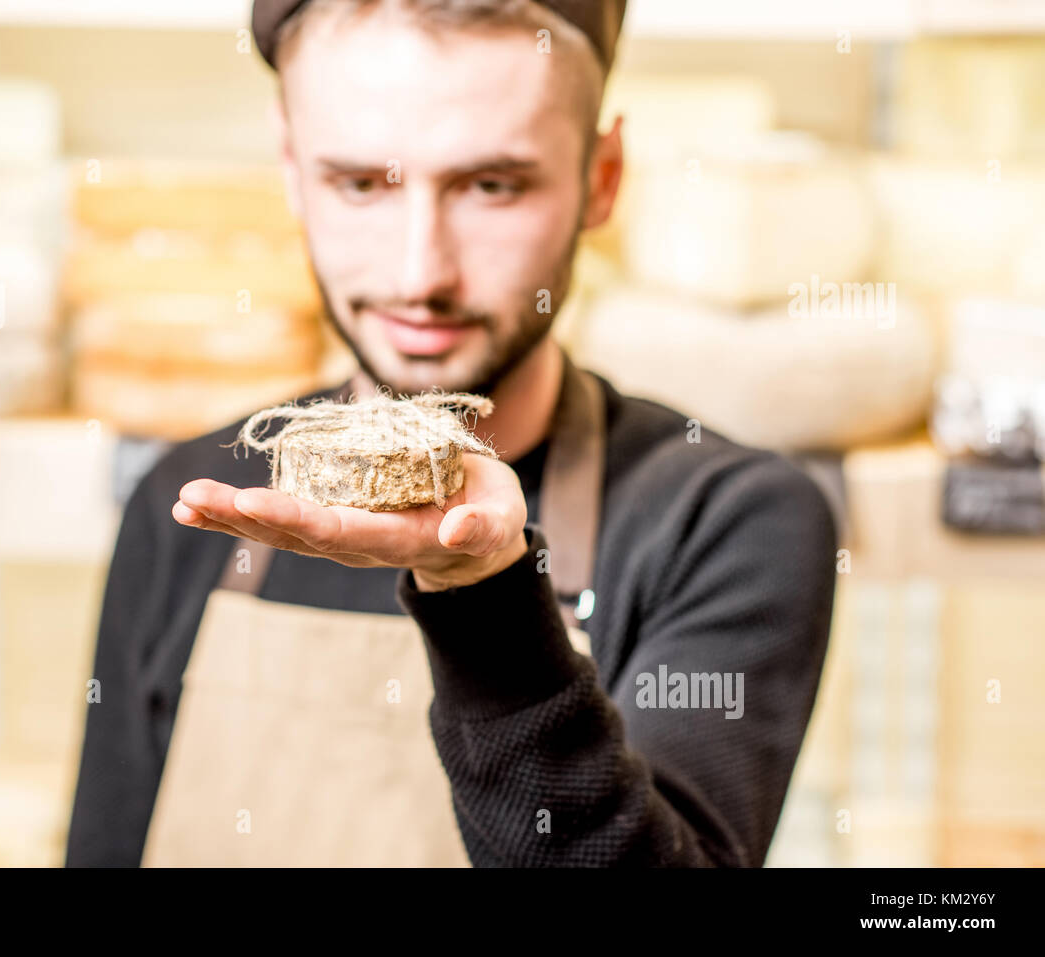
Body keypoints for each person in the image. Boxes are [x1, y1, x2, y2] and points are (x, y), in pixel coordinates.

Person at [66, 0, 838, 867]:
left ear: (601, 177)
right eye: (360, 183)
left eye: (492, 185)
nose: (418, 272)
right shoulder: (193, 508)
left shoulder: (725, 521)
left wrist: (483, 591)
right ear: (291, 169)